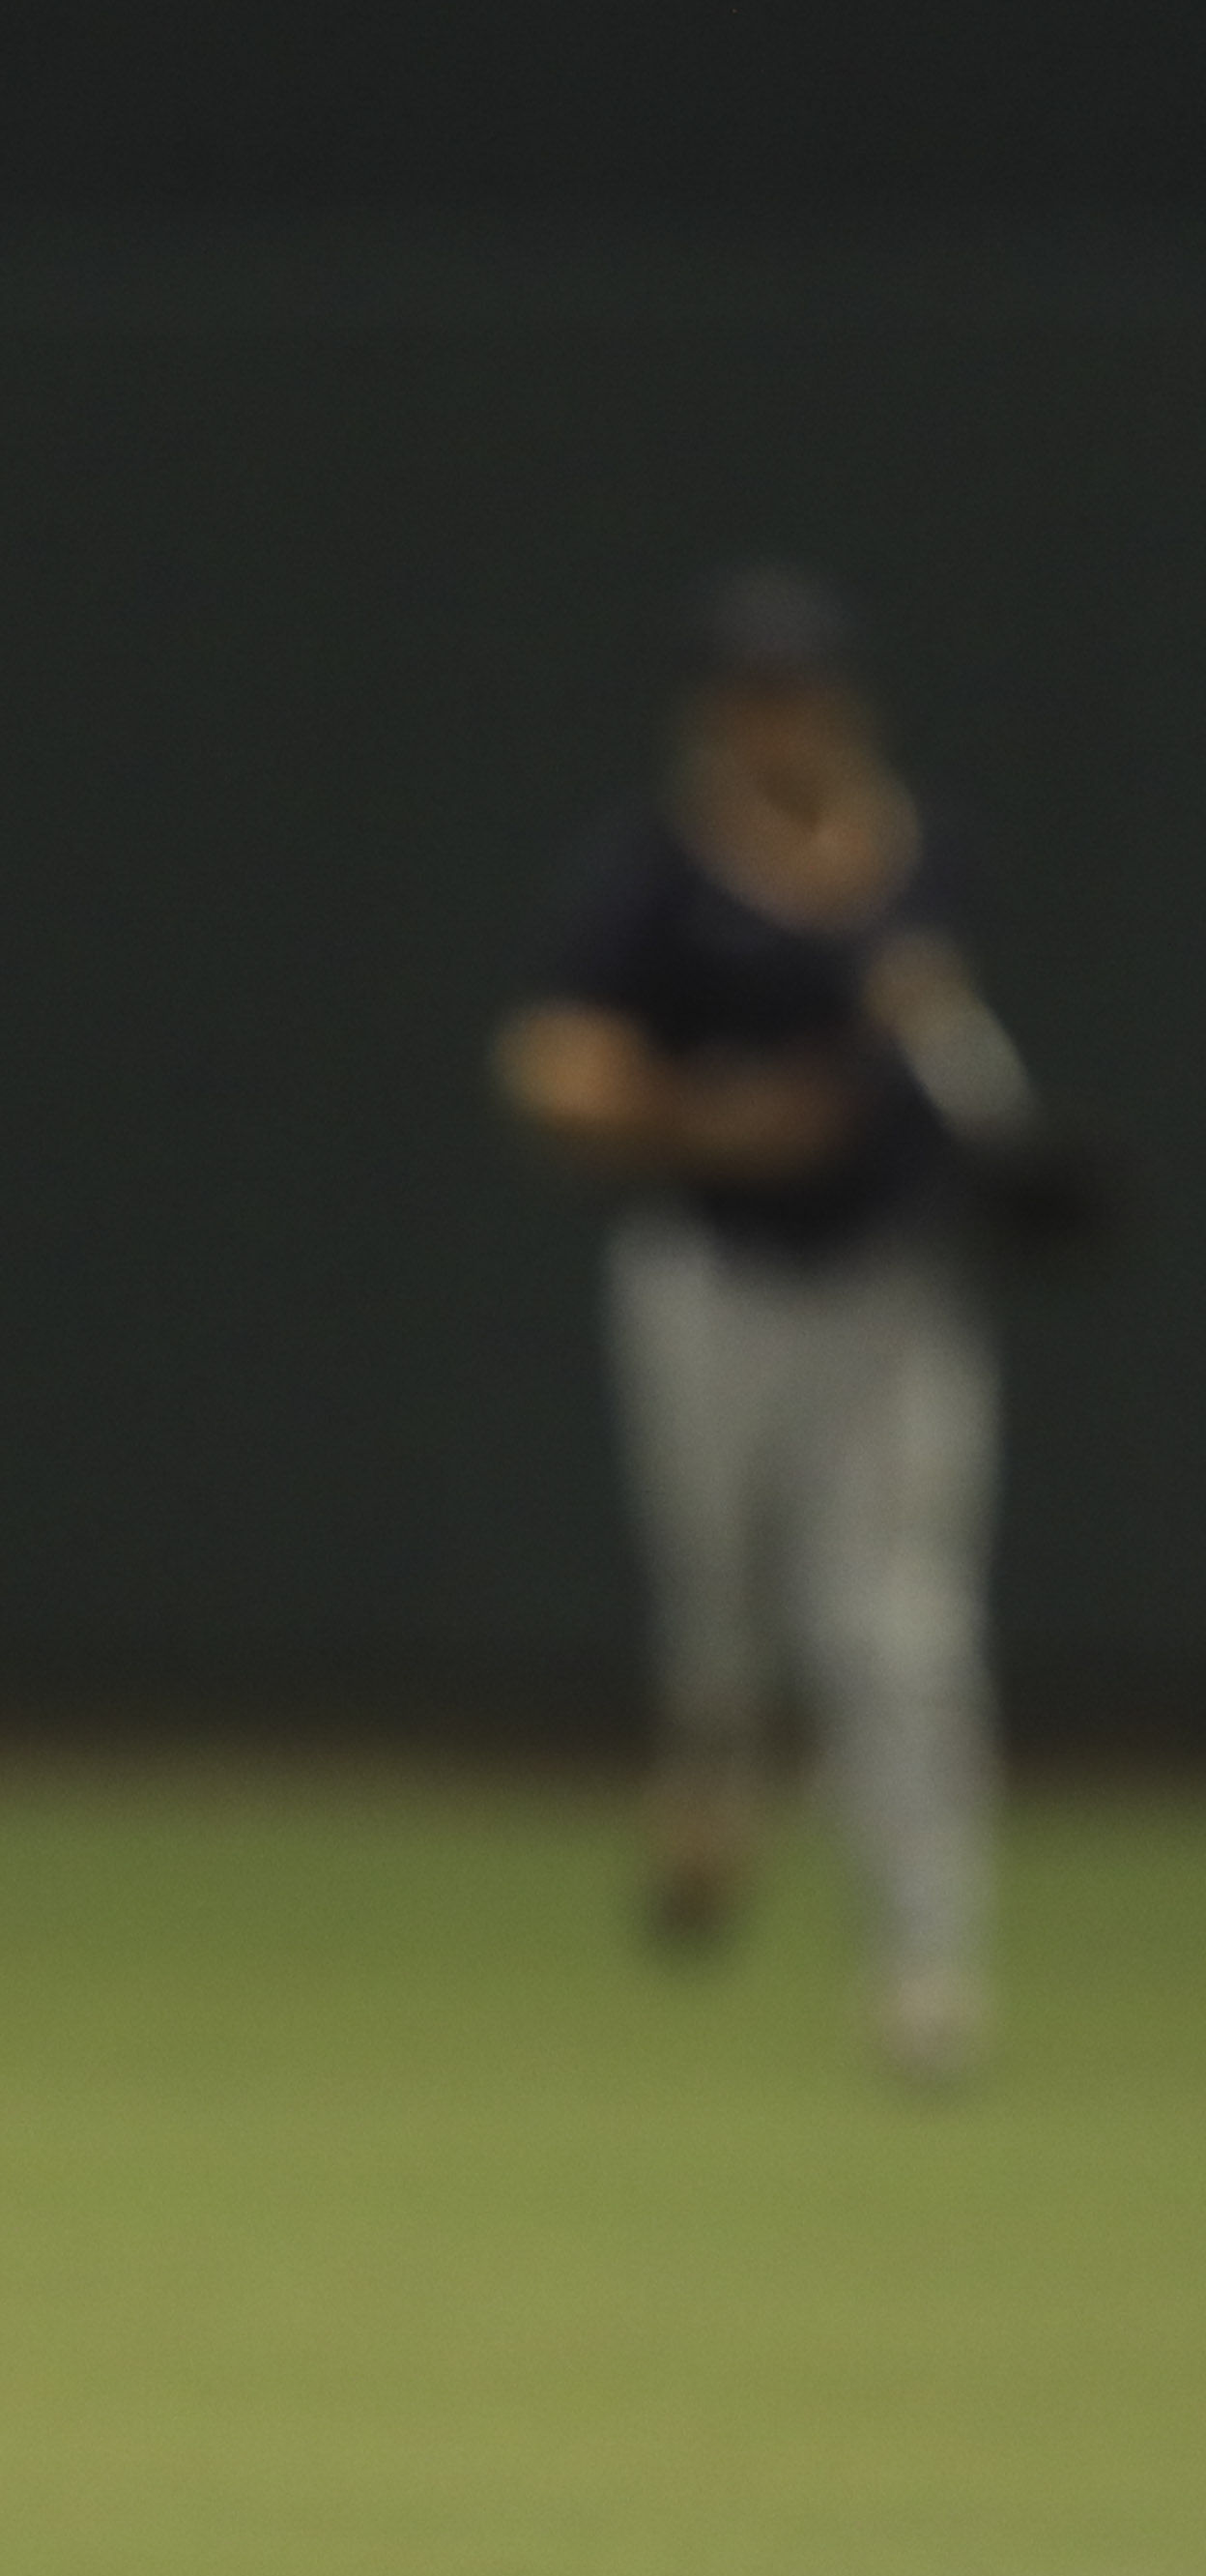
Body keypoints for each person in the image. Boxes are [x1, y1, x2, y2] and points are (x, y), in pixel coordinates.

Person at [490, 569, 1032, 2087]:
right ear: (714, 714)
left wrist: (1008, 1165)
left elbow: (940, 1046)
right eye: (751, 694)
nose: (778, 720)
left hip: (893, 1295)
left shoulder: (922, 861)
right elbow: (550, 1071)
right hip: (713, 1287)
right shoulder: (655, 875)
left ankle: (926, 1969)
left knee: (899, 1629)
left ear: (843, 703)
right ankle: (714, 1763)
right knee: (721, 1605)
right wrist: (709, 1121)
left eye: (799, 690)